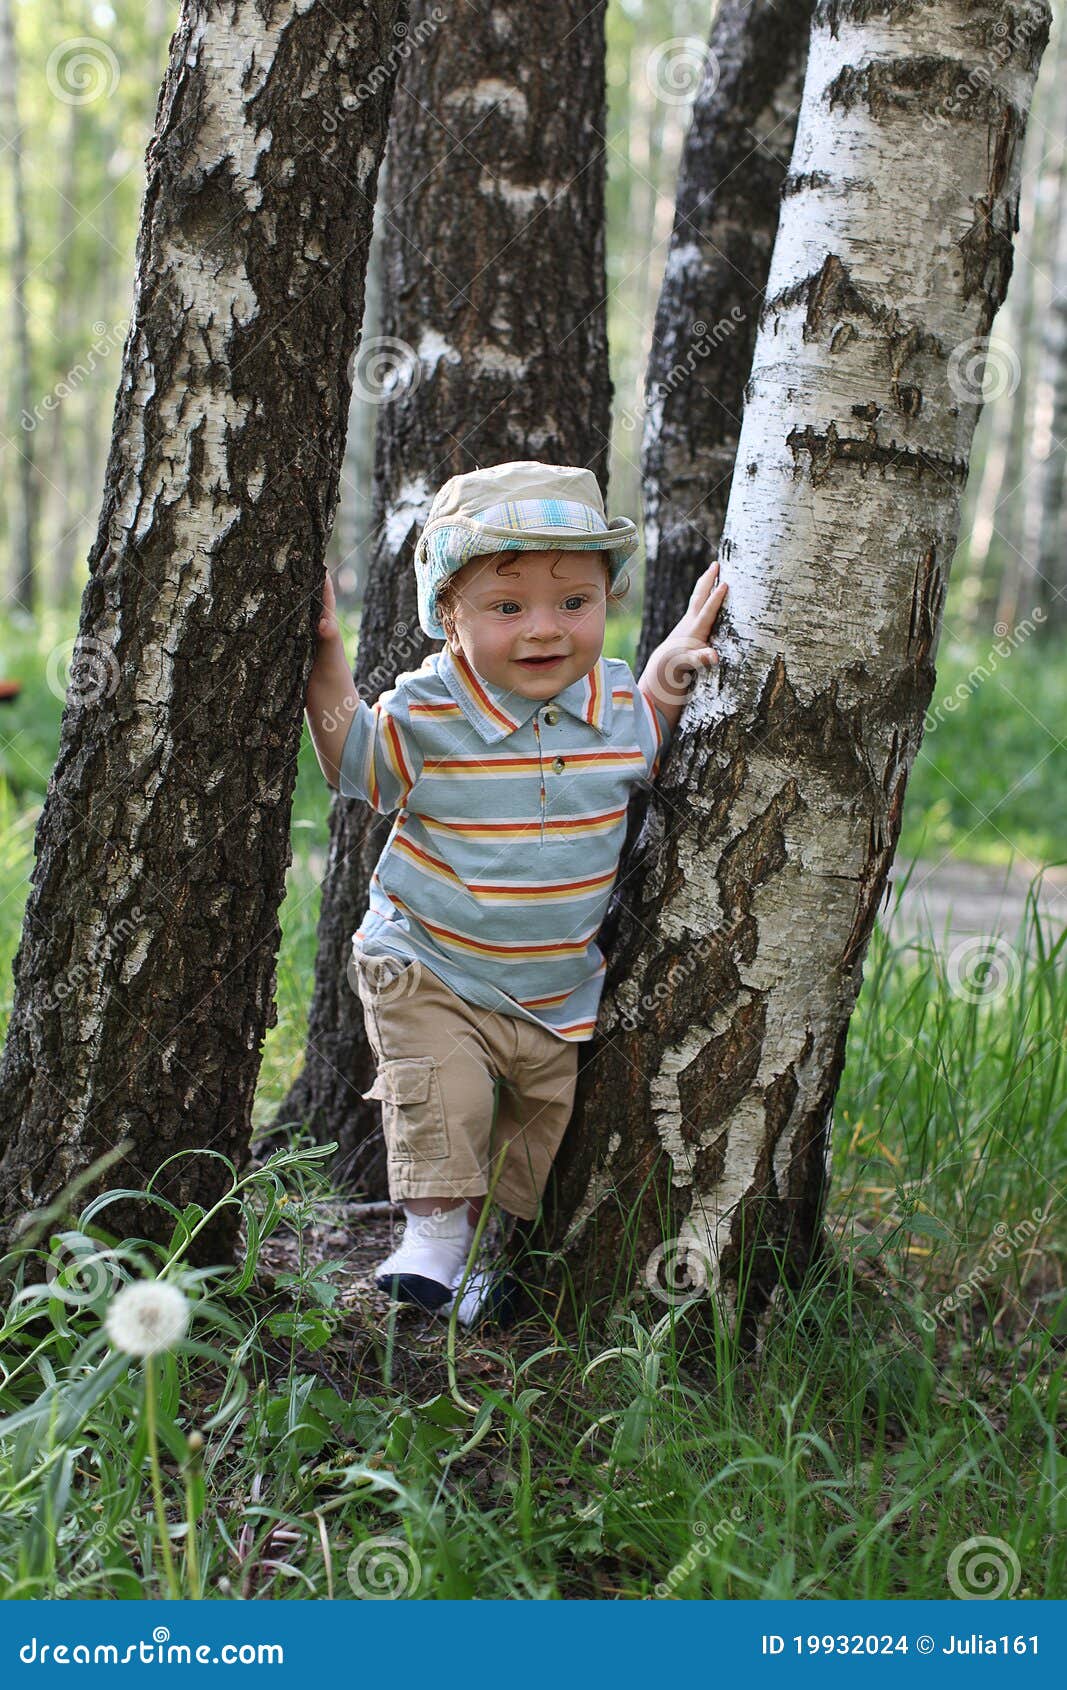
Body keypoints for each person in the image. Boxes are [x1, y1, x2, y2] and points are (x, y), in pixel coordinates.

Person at [304, 460, 728, 1324]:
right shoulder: (430, 707)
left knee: (535, 1134)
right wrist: (325, 660)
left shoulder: (611, 700)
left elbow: (644, 729)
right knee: (443, 1096)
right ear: (448, 620)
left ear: (605, 600)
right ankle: (430, 1245)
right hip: (428, 961)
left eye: (573, 602)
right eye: (506, 608)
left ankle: (489, 1265)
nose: (544, 630)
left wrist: (670, 667)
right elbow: (356, 768)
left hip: (553, 987)